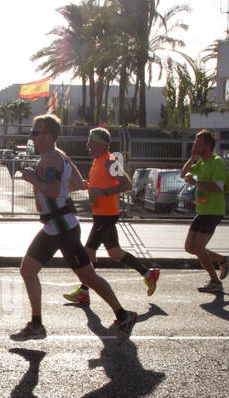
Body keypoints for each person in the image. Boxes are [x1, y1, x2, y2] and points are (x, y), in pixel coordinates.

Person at [11, 114, 136, 340]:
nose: (32, 137)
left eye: (36, 133)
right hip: (56, 226)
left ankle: (123, 314)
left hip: (62, 228)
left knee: (87, 277)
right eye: (32, 132)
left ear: (50, 136)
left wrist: (33, 179)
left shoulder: (51, 159)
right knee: (30, 270)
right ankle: (37, 324)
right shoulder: (62, 156)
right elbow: (79, 184)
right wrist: (56, 191)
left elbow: (52, 189)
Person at [63, 126, 159, 304]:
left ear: (101, 144)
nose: (87, 144)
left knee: (88, 252)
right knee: (114, 252)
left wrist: (104, 192)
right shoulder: (97, 162)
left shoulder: (110, 162)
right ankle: (148, 273)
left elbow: (127, 184)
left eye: (91, 141)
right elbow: (99, 185)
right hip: (101, 214)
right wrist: (88, 186)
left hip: (106, 215)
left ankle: (84, 291)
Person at [181, 129, 229, 293]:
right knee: (190, 247)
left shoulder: (216, 162)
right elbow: (183, 173)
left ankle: (215, 282)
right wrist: (192, 158)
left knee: (198, 248)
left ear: (208, 144)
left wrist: (196, 183)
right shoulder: (202, 163)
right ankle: (224, 260)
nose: (194, 145)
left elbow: (218, 187)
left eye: (198, 142)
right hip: (202, 210)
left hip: (213, 211)